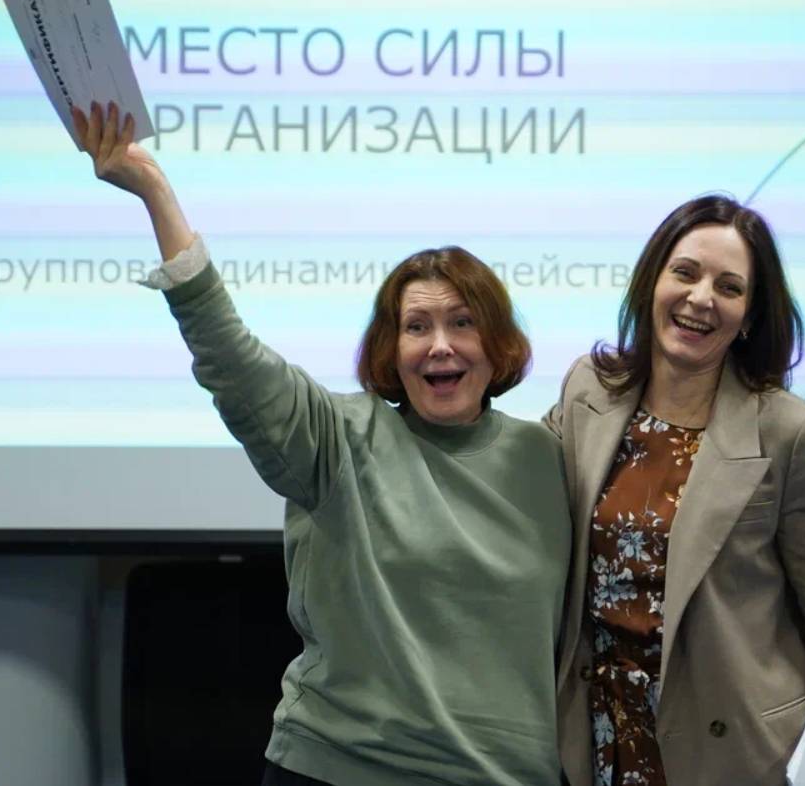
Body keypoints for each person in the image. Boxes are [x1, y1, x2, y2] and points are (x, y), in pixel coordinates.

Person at [70, 101, 570, 786]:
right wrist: (153, 188)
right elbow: (231, 357)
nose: (441, 345)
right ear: (390, 349)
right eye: (417, 326)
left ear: (499, 343)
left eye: (462, 322)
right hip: (339, 769)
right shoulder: (339, 439)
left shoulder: (549, 458)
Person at [544, 196, 805, 786]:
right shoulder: (587, 390)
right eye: (685, 273)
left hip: (731, 751)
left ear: (748, 315)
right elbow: (522, 494)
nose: (701, 298)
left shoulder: (789, 431)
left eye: (729, 287)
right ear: (652, 282)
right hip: (599, 734)